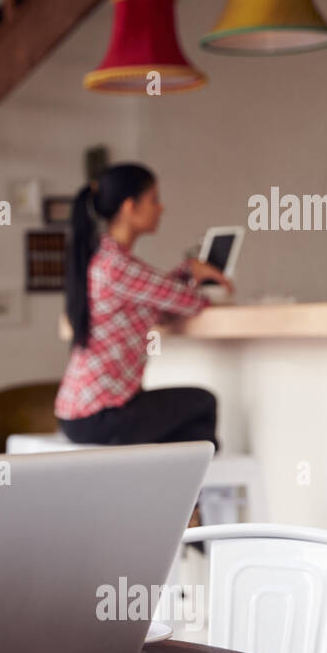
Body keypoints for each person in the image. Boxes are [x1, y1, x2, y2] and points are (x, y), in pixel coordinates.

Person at [55, 163, 231, 450]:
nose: (161, 208)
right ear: (129, 207)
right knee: (203, 405)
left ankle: (174, 491)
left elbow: (152, 295)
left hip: (82, 412)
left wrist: (188, 271)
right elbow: (192, 303)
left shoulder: (107, 258)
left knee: (191, 424)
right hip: (100, 416)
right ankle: (185, 493)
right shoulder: (117, 266)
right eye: (154, 200)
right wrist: (198, 276)